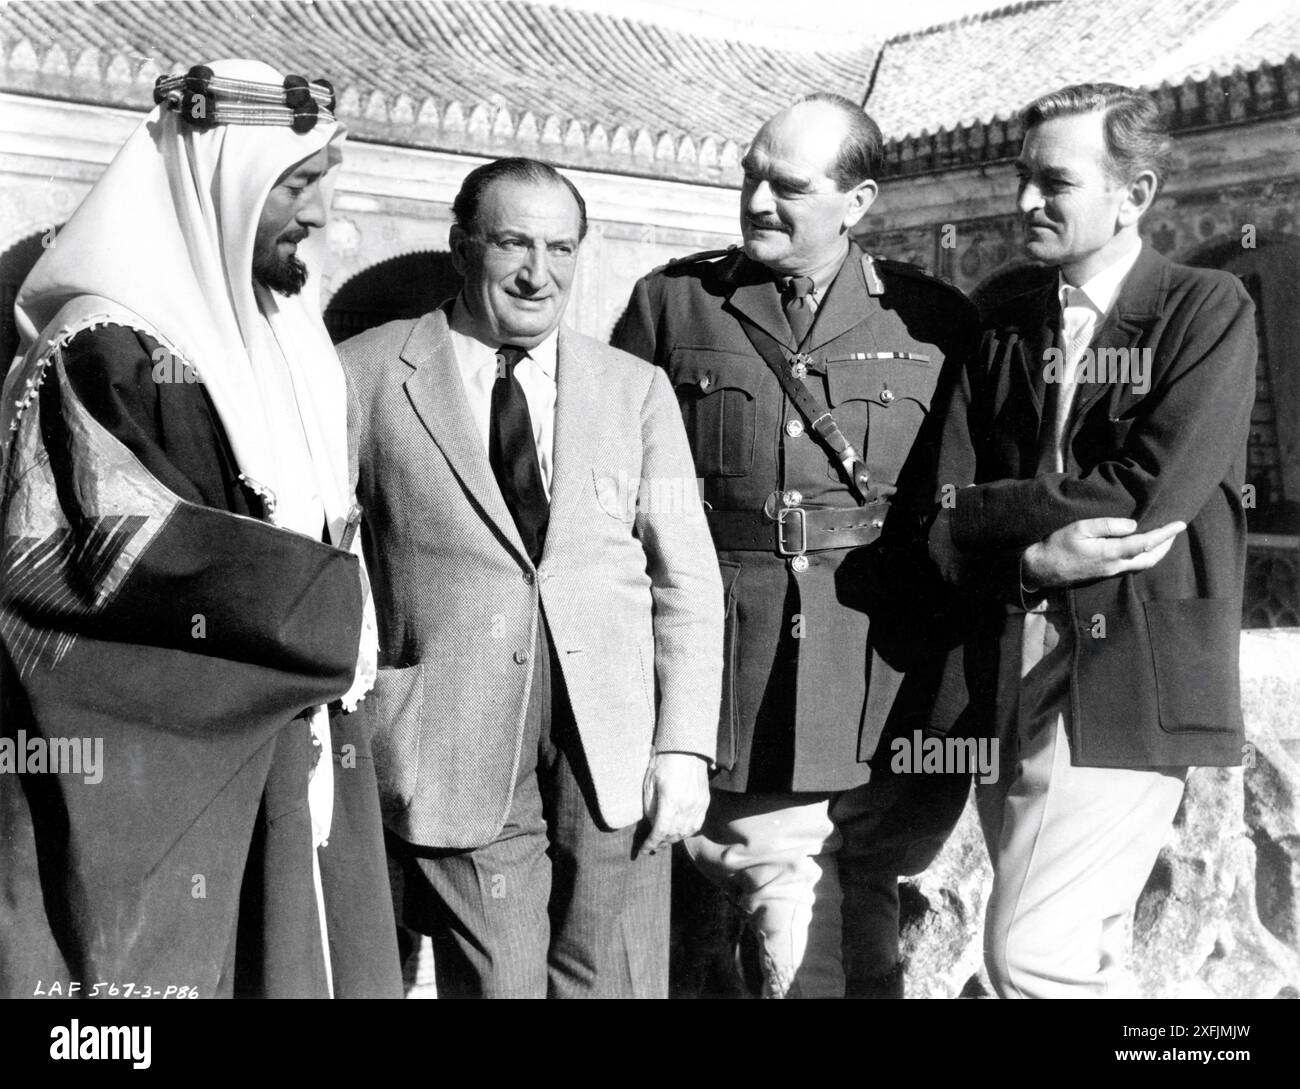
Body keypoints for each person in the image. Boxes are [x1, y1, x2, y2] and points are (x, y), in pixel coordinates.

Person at [0, 59, 401, 999]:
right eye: (298, 186)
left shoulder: (286, 330)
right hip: (177, 761)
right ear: (221, 183)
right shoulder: (110, 351)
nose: (322, 216)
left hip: (295, 735)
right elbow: (106, 587)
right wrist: (318, 621)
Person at [613, 93, 978, 998]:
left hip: (882, 665)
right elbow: (611, 495)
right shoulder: (674, 304)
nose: (758, 201)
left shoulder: (933, 320)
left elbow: (966, 498)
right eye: (750, 175)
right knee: (762, 891)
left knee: (861, 888)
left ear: (858, 203)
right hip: (737, 662)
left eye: (789, 186)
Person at [341, 157, 722, 998]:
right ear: (461, 246)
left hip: (611, 747)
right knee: (503, 981)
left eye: (560, 248)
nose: (536, 273)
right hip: (456, 737)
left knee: (608, 981)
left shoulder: (637, 390)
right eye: (512, 242)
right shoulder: (366, 373)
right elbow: (329, 551)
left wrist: (685, 745)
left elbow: (685, 578)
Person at [927, 83, 1257, 998]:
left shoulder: (1207, 308)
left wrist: (995, 518)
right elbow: (942, 505)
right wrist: (1028, 555)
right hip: (1002, 663)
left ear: (1135, 192)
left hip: (1133, 671)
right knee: (1083, 954)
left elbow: (1146, 495)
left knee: (1030, 952)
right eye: (1022, 178)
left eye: (1054, 182)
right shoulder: (999, 318)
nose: (1025, 202)